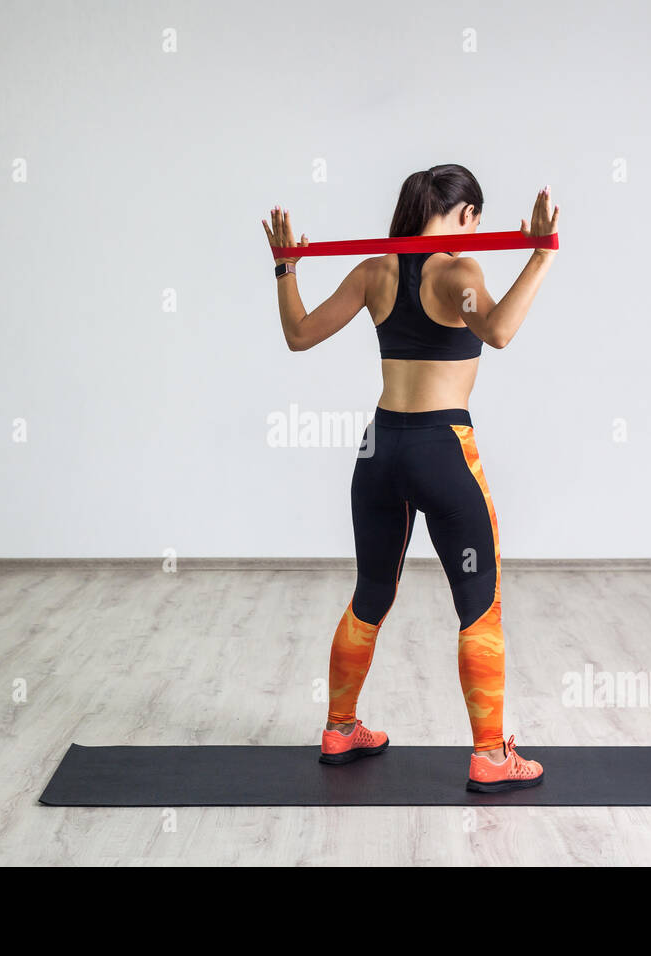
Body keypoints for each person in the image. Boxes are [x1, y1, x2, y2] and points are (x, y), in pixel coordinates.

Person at [261, 164, 559, 792]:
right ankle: (490, 756)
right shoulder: (460, 274)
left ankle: (340, 727)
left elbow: (297, 335)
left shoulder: (375, 271)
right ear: (466, 215)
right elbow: (499, 330)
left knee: (371, 595)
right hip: (442, 452)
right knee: (480, 606)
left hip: (380, 451)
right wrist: (540, 255)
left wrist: (286, 265)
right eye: (474, 219)